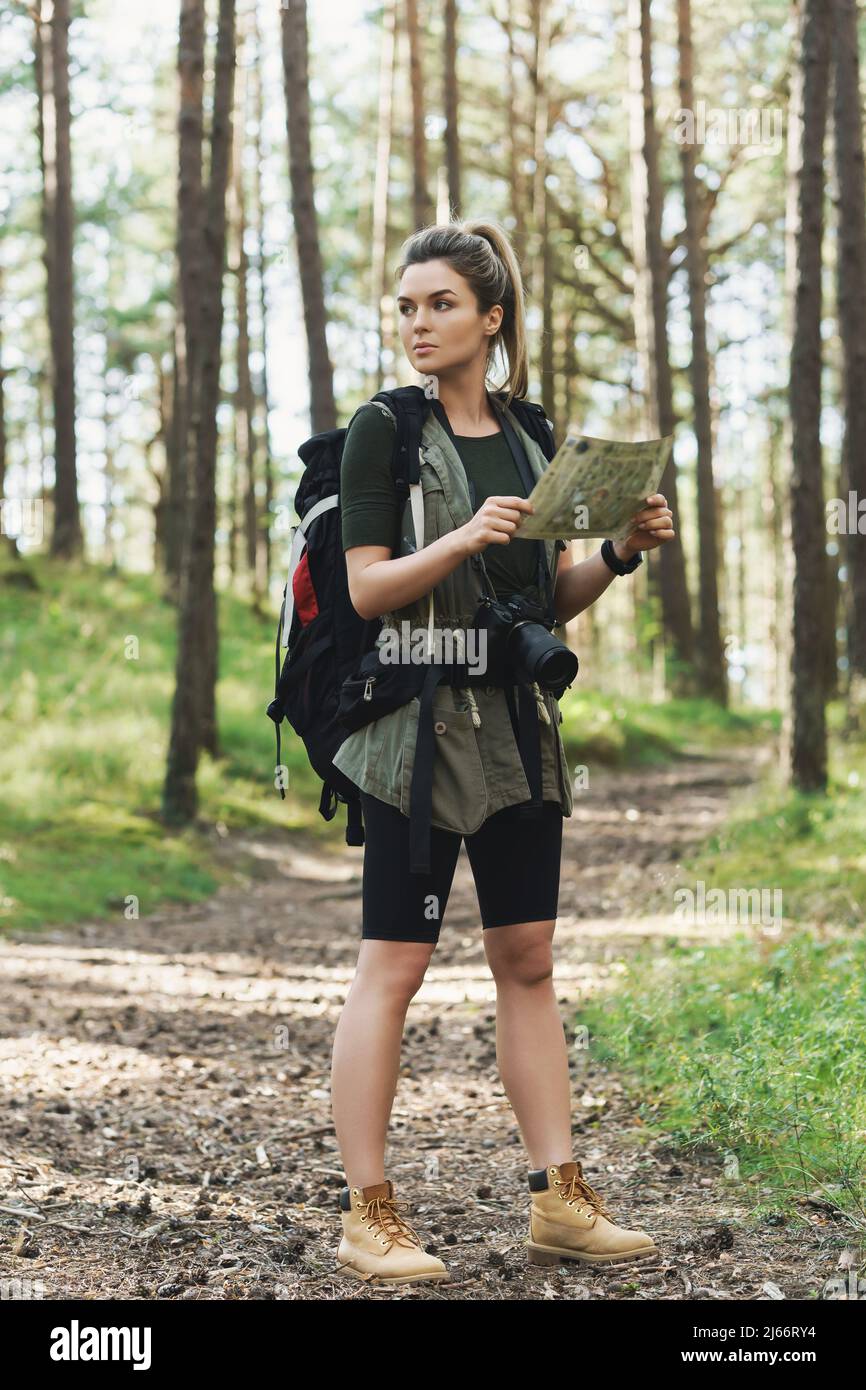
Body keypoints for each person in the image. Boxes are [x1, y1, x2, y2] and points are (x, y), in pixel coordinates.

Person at [329, 218, 675, 1285]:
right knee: (395, 963)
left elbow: (545, 602)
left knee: (527, 958)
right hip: (413, 730)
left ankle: (558, 1199)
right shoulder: (383, 430)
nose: (418, 323)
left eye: (441, 304)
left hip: (518, 730)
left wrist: (616, 552)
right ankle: (367, 1214)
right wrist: (460, 536)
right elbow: (368, 589)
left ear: (492, 317)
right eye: (406, 305)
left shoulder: (533, 436)